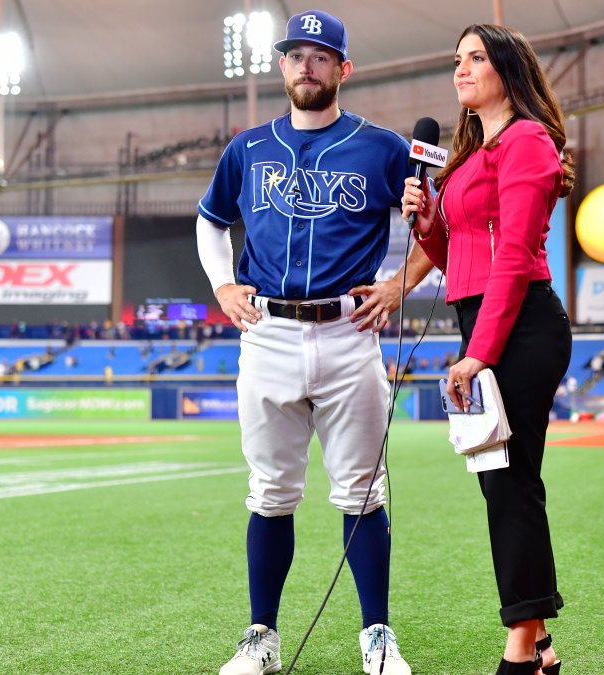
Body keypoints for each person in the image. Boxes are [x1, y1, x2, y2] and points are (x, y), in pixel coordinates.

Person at [197, 10, 431, 675]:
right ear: (281, 66)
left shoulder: (384, 148)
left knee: (362, 490)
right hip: (266, 330)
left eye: (321, 55)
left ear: (343, 69)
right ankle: (261, 637)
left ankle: (377, 635)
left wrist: (397, 285)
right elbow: (211, 221)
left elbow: (431, 232)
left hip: (347, 332)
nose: (307, 64)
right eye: (295, 53)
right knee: (270, 491)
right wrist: (221, 285)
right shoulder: (248, 147)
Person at [402, 23, 573, 675]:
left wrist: (478, 351)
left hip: (519, 323)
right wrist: (426, 219)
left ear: (507, 68)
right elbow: (457, 260)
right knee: (501, 483)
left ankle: (520, 653)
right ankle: (543, 644)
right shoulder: (469, 158)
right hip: (479, 321)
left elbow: (512, 258)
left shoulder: (527, 141)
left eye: (476, 57)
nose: (461, 69)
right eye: (456, 60)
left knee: (511, 484)